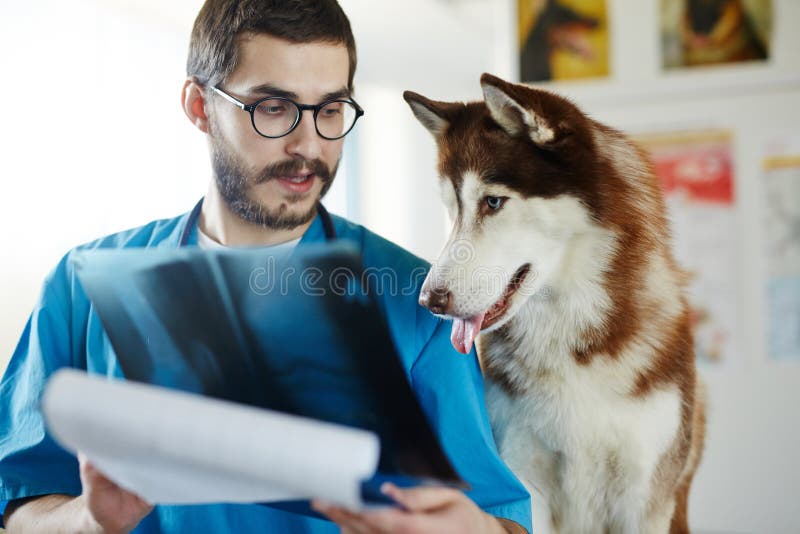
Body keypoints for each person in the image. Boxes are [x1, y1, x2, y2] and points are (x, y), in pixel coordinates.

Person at [0, 1, 531, 533]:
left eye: (330, 110)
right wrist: (92, 521)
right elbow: (18, 505)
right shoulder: (82, 288)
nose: (309, 145)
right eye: (274, 108)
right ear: (200, 106)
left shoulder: (421, 302)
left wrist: (475, 530)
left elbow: (503, 520)